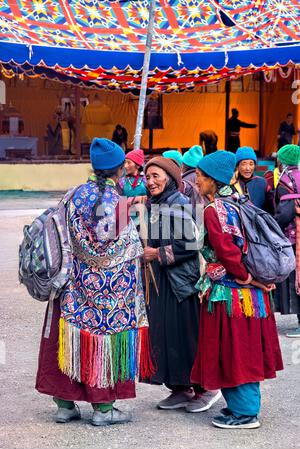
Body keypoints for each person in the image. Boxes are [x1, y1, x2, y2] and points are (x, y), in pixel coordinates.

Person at [36, 138, 153, 426]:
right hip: (111, 293)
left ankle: (65, 404)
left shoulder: (72, 195)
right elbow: (125, 245)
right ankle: (103, 409)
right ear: (119, 170)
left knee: (68, 337)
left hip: (73, 285)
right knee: (104, 340)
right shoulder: (118, 203)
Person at [191, 150, 283, 429]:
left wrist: (246, 278)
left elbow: (227, 253)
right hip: (252, 294)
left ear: (212, 180)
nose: (196, 181)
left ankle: (245, 413)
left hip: (232, 293)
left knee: (235, 352)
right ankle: (242, 408)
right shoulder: (238, 200)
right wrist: (256, 280)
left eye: (199, 176)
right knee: (247, 349)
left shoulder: (212, 210)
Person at [143, 157, 221, 413]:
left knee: (187, 337)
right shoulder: (154, 203)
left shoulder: (179, 203)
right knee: (167, 335)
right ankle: (179, 388)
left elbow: (192, 244)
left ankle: (205, 388)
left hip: (181, 283)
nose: (151, 181)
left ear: (170, 178)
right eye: (148, 176)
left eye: (156, 176)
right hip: (163, 282)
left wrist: (157, 254)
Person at [274, 144, 300, 338]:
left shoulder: (286, 180)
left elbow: (286, 212)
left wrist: (273, 227)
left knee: (296, 279)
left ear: (282, 160)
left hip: (294, 236)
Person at [233, 146, 274, 212]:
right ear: (237, 166)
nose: (248, 168)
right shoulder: (232, 184)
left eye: (251, 164)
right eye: (244, 164)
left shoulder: (262, 183)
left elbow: (272, 208)